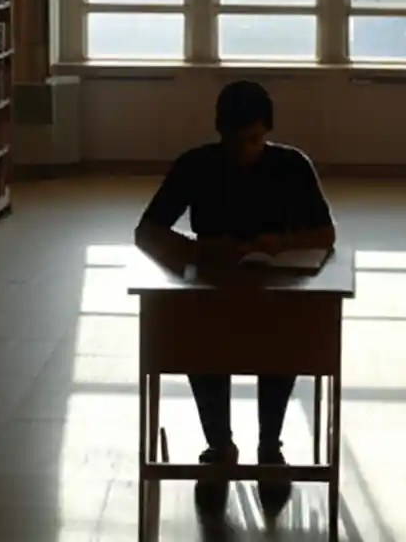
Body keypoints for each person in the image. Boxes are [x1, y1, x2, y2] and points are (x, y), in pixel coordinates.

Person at [134, 80, 336, 515]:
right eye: (233, 141)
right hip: (211, 286)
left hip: (274, 287)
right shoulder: (196, 165)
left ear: (267, 132)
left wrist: (279, 243)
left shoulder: (291, 165)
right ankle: (219, 447)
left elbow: (326, 233)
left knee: (281, 336)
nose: (243, 151)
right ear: (219, 132)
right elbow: (146, 231)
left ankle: (269, 447)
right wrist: (200, 249)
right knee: (201, 339)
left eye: (253, 140)